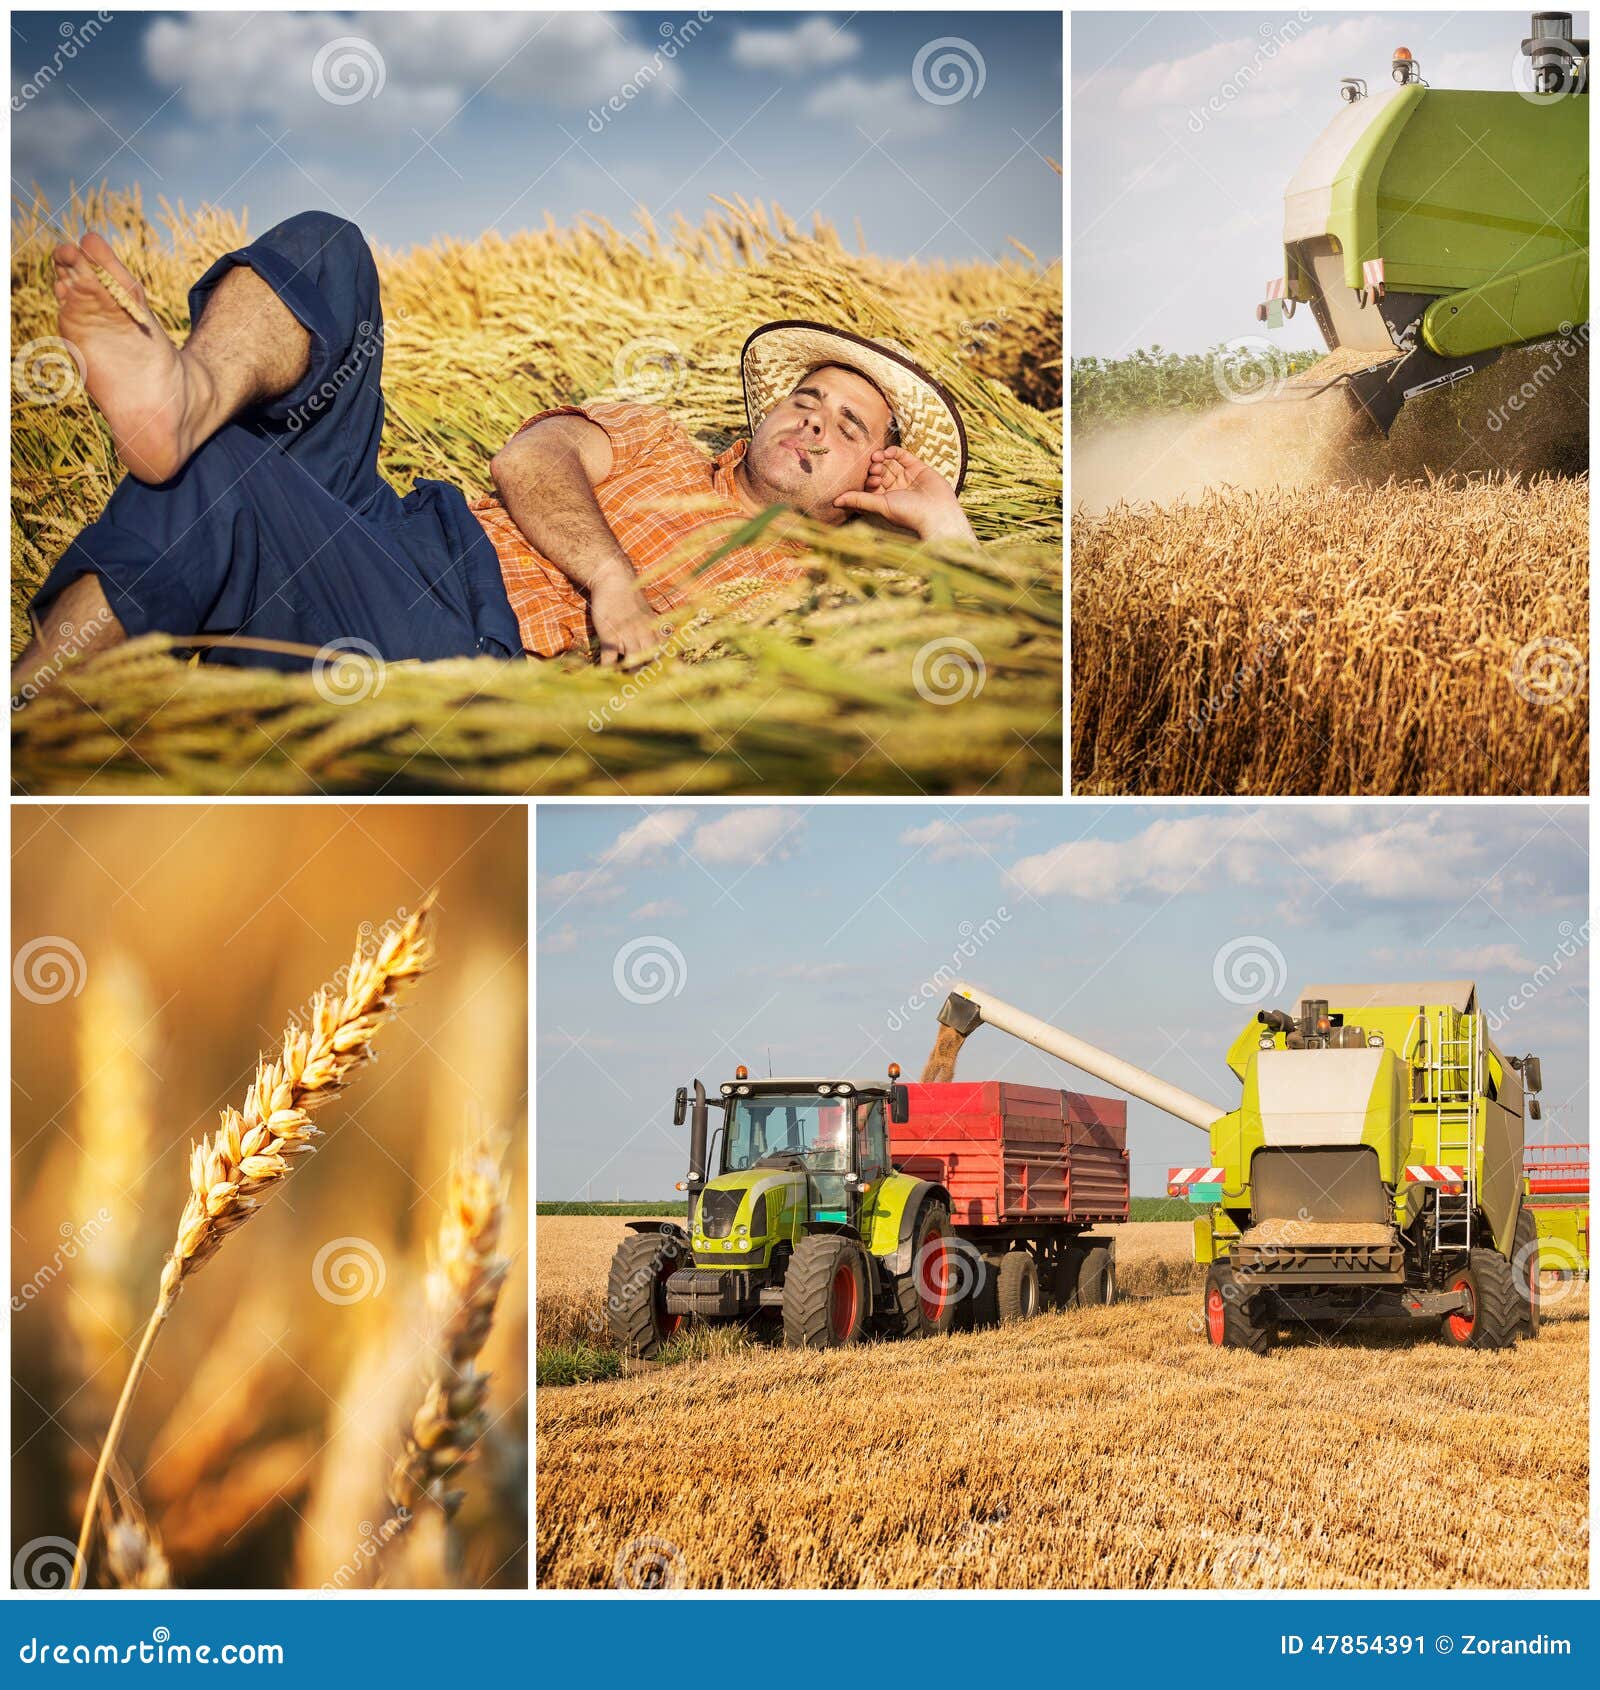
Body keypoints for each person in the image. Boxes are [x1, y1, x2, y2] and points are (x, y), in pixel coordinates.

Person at [14, 210, 974, 698]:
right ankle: (186, 398)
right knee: (327, 249)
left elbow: (961, 670)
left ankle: (27, 719)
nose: (814, 423)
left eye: (850, 430)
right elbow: (529, 463)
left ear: (871, 484)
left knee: (223, 479)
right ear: (765, 412)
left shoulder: (819, 585)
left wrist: (943, 523)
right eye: (808, 400)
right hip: (405, 522)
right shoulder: (653, 434)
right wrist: (612, 578)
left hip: (465, 635)